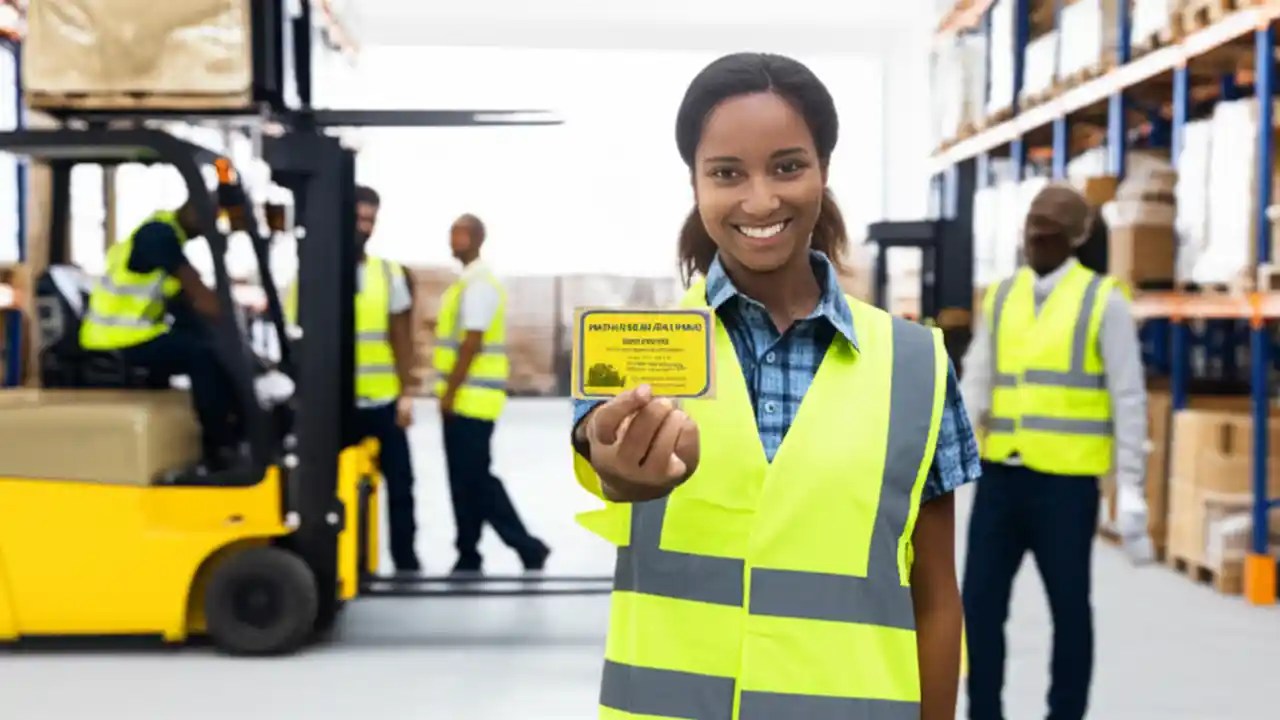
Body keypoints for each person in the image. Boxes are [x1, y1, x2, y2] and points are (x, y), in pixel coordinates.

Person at [569, 52, 982, 720]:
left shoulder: (918, 365)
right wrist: (617, 469)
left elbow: (936, 600)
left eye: (788, 166)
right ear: (695, 183)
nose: (760, 200)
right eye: (727, 174)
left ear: (824, 170)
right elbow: (601, 454)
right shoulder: (634, 353)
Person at [959, 183, 1150, 720]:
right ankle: (983, 713)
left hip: (1066, 488)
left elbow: (1128, 398)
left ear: (1075, 238)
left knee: (1069, 612)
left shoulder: (1103, 301)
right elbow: (977, 378)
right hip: (1000, 479)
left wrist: (1130, 487)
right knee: (978, 608)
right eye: (1031, 231)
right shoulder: (1000, 296)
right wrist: (954, 448)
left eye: (1047, 233)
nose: (1036, 240)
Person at [79, 195, 248, 470]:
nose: (211, 227)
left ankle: (230, 432)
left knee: (202, 343)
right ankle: (220, 447)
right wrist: (231, 320)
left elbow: (190, 305)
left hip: (133, 336)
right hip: (114, 340)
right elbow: (201, 295)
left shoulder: (168, 243)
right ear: (193, 210)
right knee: (201, 355)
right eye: (210, 218)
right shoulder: (157, 235)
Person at [434, 213, 550, 574]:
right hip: (466, 398)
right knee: (464, 480)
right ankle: (468, 552)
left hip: (473, 400)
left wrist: (450, 392)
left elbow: (472, 341)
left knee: (476, 479)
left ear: (478, 239)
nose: (454, 240)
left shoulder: (479, 284)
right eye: (453, 233)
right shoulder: (465, 283)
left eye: (462, 234)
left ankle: (528, 547)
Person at [349, 185, 423, 573]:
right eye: (359, 217)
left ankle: (406, 560)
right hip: (336, 403)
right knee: (334, 487)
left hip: (382, 400)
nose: (365, 226)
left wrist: (407, 393)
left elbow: (401, 335)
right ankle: (349, 561)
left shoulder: (387, 273)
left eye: (370, 220)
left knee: (401, 484)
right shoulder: (318, 270)